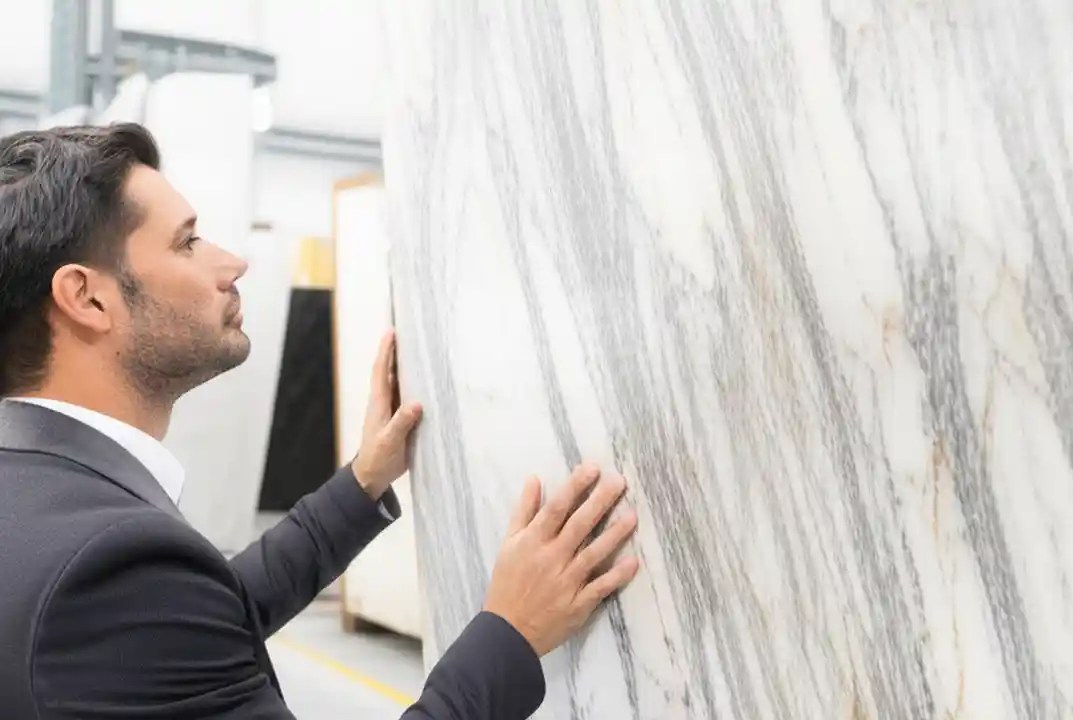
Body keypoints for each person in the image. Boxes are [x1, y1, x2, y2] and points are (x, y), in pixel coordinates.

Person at [0, 123, 641, 719]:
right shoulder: (110, 563)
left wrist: (363, 482)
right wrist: (510, 633)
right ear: (87, 298)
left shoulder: (43, 506)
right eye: (188, 241)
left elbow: (207, 613)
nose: (231, 263)